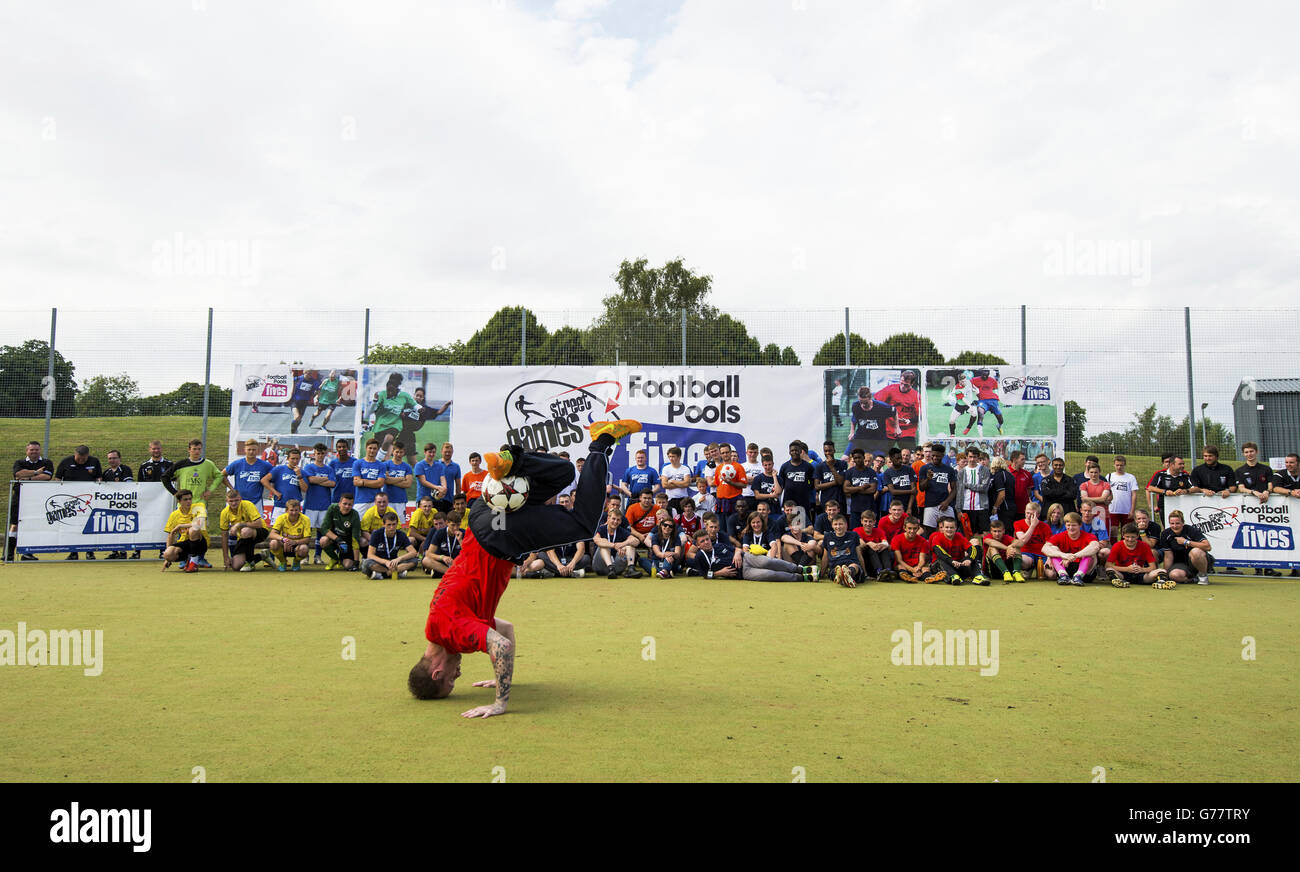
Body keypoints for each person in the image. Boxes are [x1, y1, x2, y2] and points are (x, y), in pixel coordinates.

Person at [410, 420, 640, 717]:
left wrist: (499, 701)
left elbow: (501, 646)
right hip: (484, 512)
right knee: (563, 473)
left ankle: (600, 445)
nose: (458, 675)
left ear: (436, 672)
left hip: (500, 536)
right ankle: (511, 461)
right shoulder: (438, 623)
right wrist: (500, 676)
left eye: (451, 681)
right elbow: (505, 629)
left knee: (583, 524)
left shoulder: (452, 634)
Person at [55, 444, 103, 561]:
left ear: (88, 456)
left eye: (84, 459)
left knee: (89, 526)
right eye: (79, 458)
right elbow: (57, 479)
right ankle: (73, 552)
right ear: (75, 454)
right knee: (72, 526)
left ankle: (90, 552)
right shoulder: (66, 462)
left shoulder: (94, 461)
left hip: (88, 501)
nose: (81, 461)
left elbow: (99, 478)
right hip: (70, 501)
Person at [8, 441, 54, 561]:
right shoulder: (19, 462)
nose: (34, 452)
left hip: (37, 499)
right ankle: (9, 554)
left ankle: (27, 554)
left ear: (40, 450)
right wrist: (36, 472)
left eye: (36, 450)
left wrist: (27, 477)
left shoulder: (46, 462)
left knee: (32, 524)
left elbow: (47, 477)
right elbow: (18, 474)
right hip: (19, 497)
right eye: (31, 450)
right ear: (27, 451)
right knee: (14, 525)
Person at [1042, 512, 1101, 585]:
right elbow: (1044, 548)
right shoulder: (1059, 536)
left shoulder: (1089, 536)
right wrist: (1063, 555)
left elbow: (1095, 546)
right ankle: (1063, 576)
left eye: (1074, 525)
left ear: (1080, 525)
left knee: (1090, 552)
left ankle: (1078, 576)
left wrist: (1074, 556)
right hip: (1065, 567)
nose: (1071, 528)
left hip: (1085, 572)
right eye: (1068, 525)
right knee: (1053, 548)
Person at [1105, 523, 1170, 589]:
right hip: (1123, 574)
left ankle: (1161, 583)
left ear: (1137, 536)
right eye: (1127, 537)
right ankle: (1118, 582)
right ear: (1123, 535)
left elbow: (1153, 567)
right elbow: (1108, 565)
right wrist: (1127, 569)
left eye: (1133, 537)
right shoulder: (1117, 546)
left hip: (1140, 575)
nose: (1130, 539)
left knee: (1161, 571)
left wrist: (1141, 569)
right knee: (1109, 569)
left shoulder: (1144, 546)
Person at [397, 386, 451, 466]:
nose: (418, 397)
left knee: (412, 461)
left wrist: (447, 404)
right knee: (392, 455)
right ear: (414, 395)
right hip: (398, 433)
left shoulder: (424, 409)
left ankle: (424, 472)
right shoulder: (406, 405)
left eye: (420, 396)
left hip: (409, 436)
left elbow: (438, 412)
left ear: (423, 398)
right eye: (417, 395)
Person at [302, 444, 337, 563]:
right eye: (318, 453)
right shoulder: (309, 467)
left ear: (325, 454)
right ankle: (305, 556)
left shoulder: (329, 469)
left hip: (324, 505)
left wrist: (316, 480)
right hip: (311, 504)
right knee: (307, 530)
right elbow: (310, 480)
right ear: (314, 454)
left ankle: (317, 556)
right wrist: (323, 479)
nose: (320, 456)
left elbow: (332, 483)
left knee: (322, 531)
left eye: (322, 453)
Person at [368, 372, 417, 458]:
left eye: (397, 382)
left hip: (394, 425)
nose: (395, 383)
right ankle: (378, 463)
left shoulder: (404, 395)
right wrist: (375, 401)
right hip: (381, 425)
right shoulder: (382, 394)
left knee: (388, 440)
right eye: (393, 380)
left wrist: (405, 411)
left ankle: (379, 459)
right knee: (379, 449)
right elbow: (373, 410)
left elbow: (411, 407)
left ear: (399, 384)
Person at [219, 489, 268, 572]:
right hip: (243, 537)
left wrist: (239, 524)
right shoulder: (224, 512)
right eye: (231, 501)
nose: (234, 503)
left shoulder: (248, 505)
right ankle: (262, 556)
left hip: (260, 531)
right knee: (236, 566)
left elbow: (258, 523)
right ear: (227, 501)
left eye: (236, 500)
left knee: (245, 531)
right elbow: (224, 535)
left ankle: (250, 563)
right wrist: (226, 557)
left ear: (240, 499)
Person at [1158, 509, 1212, 585]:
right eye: (1172, 523)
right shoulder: (1165, 534)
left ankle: (1203, 576)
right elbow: (1168, 556)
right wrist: (1165, 574)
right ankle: (1192, 579)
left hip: (1199, 561)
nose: (1175, 526)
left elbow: (1207, 547)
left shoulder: (1191, 530)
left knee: (1196, 552)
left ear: (1183, 523)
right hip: (1181, 564)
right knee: (1174, 575)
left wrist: (1186, 542)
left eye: (1177, 523)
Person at [162, 490, 208, 573]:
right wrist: (167, 559)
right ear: (179, 501)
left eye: (190, 499)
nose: (189, 501)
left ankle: (193, 562)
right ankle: (188, 560)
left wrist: (180, 526)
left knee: (193, 530)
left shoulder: (199, 506)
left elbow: (199, 524)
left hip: (200, 543)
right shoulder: (174, 515)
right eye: (185, 499)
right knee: (168, 554)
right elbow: (170, 534)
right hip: (185, 543)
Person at [930, 516, 985, 585]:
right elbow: (939, 553)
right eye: (947, 527)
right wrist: (952, 561)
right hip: (941, 567)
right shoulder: (937, 538)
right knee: (940, 560)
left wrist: (969, 559)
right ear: (942, 528)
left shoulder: (960, 537)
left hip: (958, 565)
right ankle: (953, 576)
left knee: (972, 558)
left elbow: (972, 549)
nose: (949, 529)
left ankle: (978, 576)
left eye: (951, 527)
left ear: (955, 528)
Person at [890, 516, 946, 584]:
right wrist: (912, 569)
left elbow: (922, 559)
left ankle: (929, 578)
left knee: (925, 569)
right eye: (909, 528)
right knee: (899, 567)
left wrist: (918, 568)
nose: (912, 531)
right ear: (904, 528)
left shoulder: (923, 541)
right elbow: (899, 560)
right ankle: (907, 577)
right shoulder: (896, 539)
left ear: (918, 528)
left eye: (915, 528)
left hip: (917, 567)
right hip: (904, 566)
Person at [364, 511, 419, 579]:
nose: (392, 527)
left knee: (414, 561)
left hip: (394, 562)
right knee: (366, 563)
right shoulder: (376, 534)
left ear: (397, 524)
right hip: (380, 562)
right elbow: (370, 555)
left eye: (394, 524)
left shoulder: (401, 535)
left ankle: (384, 574)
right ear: (383, 524)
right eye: (389, 525)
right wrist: (385, 562)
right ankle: (396, 572)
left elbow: (413, 552)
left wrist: (399, 559)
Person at [101, 449, 134, 559]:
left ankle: (123, 552)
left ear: (119, 459)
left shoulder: (125, 469)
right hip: (110, 505)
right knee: (111, 527)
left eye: (114, 458)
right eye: (110, 458)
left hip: (123, 504)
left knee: (122, 527)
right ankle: (114, 551)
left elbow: (128, 486)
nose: (112, 460)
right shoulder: (106, 472)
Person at [820, 512, 866, 587]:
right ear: (832, 525)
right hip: (835, 566)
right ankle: (841, 575)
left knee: (854, 566)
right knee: (836, 570)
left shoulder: (853, 535)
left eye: (840, 524)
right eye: (835, 524)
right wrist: (821, 574)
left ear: (846, 525)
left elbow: (859, 555)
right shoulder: (828, 537)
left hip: (851, 563)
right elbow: (825, 557)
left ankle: (847, 573)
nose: (838, 527)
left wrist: (864, 572)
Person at [319, 492, 362, 571]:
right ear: (339, 503)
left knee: (348, 565)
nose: (347, 507)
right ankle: (335, 559)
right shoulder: (332, 508)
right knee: (323, 540)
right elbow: (324, 528)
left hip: (348, 542)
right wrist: (338, 539)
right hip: (335, 539)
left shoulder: (355, 515)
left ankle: (342, 559)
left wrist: (356, 562)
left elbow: (355, 539)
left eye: (350, 505)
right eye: (344, 504)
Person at [262, 447, 307, 522]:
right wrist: (275, 492)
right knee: (276, 529)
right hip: (280, 505)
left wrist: (299, 475)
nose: (295, 461)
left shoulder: (302, 472)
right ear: (288, 459)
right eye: (292, 458)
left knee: (293, 530)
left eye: (297, 459)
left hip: (294, 508)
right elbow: (264, 480)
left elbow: (305, 489)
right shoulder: (279, 469)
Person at [224, 440, 273, 508]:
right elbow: (222, 475)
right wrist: (232, 489)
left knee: (257, 519)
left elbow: (276, 476)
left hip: (256, 502)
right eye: (249, 449)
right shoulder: (237, 464)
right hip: (239, 501)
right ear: (245, 450)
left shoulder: (265, 465)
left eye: (254, 450)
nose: (251, 452)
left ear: (258, 450)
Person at [1012, 501, 1050, 579]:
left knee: (1050, 575)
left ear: (1038, 515)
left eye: (1032, 514)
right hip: (1027, 553)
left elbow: (1049, 545)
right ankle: (1029, 568)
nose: (1029, 516)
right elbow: (1023, 540)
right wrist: (1032, 526)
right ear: (1025, 512)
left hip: (1041, 555)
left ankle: (1039, 569)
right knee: (1023, 562)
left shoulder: (1045, 526)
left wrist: (1049, 559)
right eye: (1027, 513)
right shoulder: (1018, 523)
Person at [1106, 455, 1139, 539]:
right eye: (1117, 465)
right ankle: (1114, 548)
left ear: (1125, 465)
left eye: (1121, 465)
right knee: (1113, 531)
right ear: (1114, 465)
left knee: (1127, 531)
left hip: (1126, 510)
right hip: (1113, 509)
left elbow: (1134, 494)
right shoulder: (1109, 476)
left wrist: (1132, 510)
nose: (1119, 467)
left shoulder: (1131, 477)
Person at [351, 438, 388, 510]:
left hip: (376, 501)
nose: (372, 450)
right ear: (366, 448)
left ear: (377, 450)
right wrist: (374, 482)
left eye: (374, 448)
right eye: (370, 448)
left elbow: (380, 483)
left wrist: (363, 481)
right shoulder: (357, 463)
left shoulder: (381, 465)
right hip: (360, 501)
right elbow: (356, 482)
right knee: (359, 521)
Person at [814, 440, 847, 517]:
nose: (828, 453)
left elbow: (841, 482)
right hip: (826, 501)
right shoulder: (820, 466)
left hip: (840, 500)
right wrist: (834, 482)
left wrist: (831, 466)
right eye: (825, 451)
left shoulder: (842, 464)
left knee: (840, 524)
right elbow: (817, 486)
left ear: (834, 450)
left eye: (830, 450)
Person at [384, 441, 414, 520]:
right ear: (392, 451)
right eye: (397, 452)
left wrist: (391, 480)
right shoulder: (386, 465)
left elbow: (408, 484)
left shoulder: (407, 467)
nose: (399, 454)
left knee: (401, 525)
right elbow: (385, 481)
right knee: (387, 523)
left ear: (404, 452)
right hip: (388, 500)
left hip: (401, 500)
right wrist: (400, 478)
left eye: (401, 452)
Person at [660, 446, 694, 513]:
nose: (671, 458)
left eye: (673, 456)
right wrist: (681, 483)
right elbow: (664, 485)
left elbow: (687, 484)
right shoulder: (666, 468)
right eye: (669, 456)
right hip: (670, 499)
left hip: (683, 499)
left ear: (679, 457)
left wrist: (672, 481)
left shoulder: (685, 468)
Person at [288, 369, 322, 434]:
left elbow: (319, 390)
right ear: (304, 372)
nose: (310, 375)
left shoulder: (313, 381)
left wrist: (316, 398)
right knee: (297, 416)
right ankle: (293, 431)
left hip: (304, 402)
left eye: (311, 374)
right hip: (295, 401)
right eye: (308, 373)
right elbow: (288, 382)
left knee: (299, 419)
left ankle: (294, 429)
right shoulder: (297, 379)